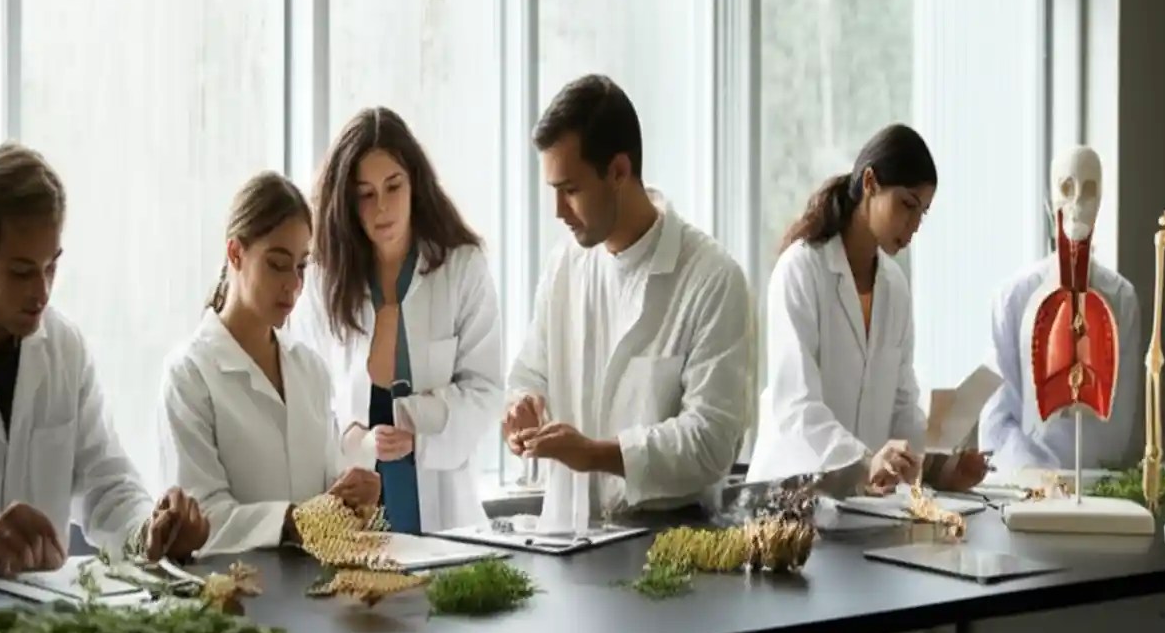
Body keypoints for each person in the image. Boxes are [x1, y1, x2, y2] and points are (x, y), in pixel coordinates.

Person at [0, 142, 209, 579]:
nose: (42, 291)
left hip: (46, 623)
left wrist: (151, 531)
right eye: (22, 272)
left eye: (51, 267)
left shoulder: (64, 348)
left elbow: (106, 483)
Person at [503, 74, 752, 532]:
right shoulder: (564, 268)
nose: (558, 211)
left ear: (619, 171)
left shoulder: (713, 278)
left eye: (571, 189)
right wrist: (523, 405)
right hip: (572, 536)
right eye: (553, 191)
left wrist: (596, 454)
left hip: (674, 547)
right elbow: (529, 373)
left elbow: (713, 441)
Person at [289, 107, 501, 534]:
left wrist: (412, 430)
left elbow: (486, 390)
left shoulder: (462, 267)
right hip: (354, 501)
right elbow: (308, 400)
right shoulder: (322, 280)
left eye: (393, 187)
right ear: (346, 200)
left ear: (415, 184)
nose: (382, 207)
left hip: (444, 505)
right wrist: (356, 441)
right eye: (365, 193)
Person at [745, 123, 987, 494]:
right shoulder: (800, 270)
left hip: (859, 503)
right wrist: (865, 462)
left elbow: (902, 406)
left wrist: (938, 469)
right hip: (789, 497)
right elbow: (797, 406)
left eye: (922, 212)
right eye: (907, 205)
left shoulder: (895, 288)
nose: (914, 226)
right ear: (870, 183)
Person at [156, 172, 381, 556]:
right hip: (231, 598)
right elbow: (198, 517)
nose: (293, 285)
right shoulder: (189, 374)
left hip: (314, 594)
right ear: (235, 254)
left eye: (301, 267)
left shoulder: (310, 369)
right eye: (277, 265)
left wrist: (358, 495)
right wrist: (292, 521)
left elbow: (328, 490)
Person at [978, 146, 1142, 471]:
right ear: (1048, 201)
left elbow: (1123, 420)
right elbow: (996, 422)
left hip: (1101, 487)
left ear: (1102, 200)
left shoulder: (1122, 298)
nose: (1078, 203)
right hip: (1029, 487)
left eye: (1090, 190)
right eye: (1067, 188)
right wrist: (1040, 478)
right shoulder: (1013, 297)